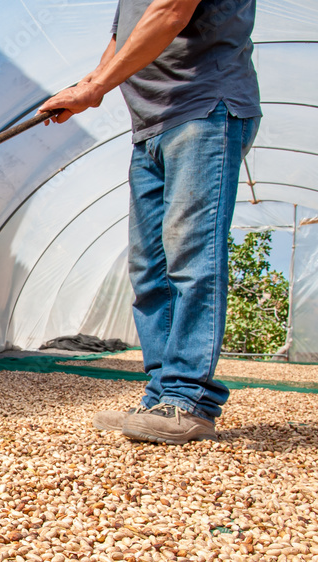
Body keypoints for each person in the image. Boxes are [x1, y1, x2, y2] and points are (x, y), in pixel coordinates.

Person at [38, 0, 261, 444]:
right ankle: (161, 397)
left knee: (192, 256)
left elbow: (170, 13)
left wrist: (95, 86)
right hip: (153, 125)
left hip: (205, 109)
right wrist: (88, 88)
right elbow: (123, 38)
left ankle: (188, 400)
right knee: (149, 267)